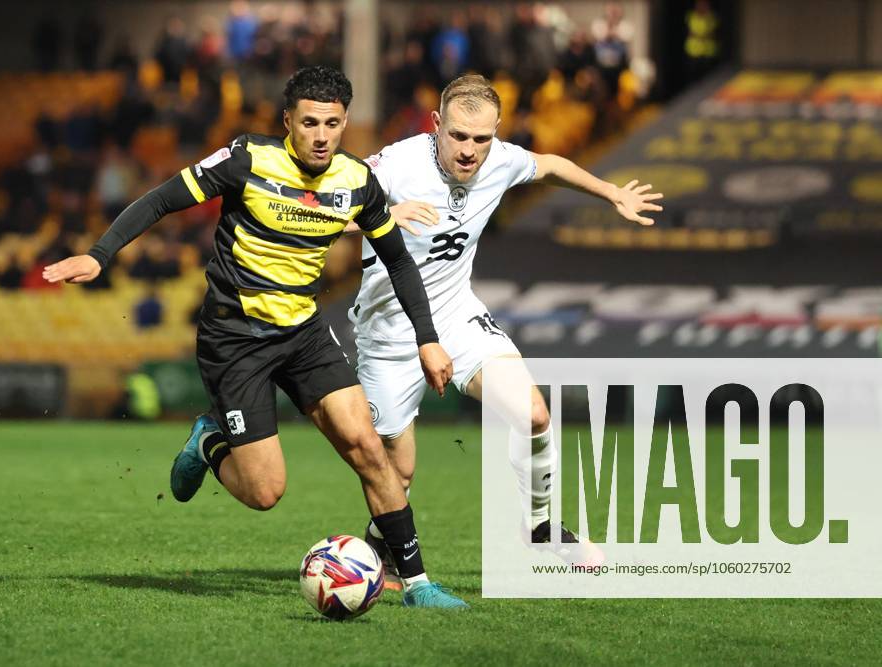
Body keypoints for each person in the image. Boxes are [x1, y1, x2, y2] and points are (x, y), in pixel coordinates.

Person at [43, 66, 468, 609]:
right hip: (235, 338)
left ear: (344, 125)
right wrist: (99, 255)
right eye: (309, 122)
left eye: (332, 124)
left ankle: (418, 585)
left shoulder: (357, 181)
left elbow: (399, 262)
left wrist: (427, 339)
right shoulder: (246, 159)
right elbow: (160, 200)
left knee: (367, 444)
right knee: (265, 493)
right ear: (288, 120)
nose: (320, 135)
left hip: (305, 333)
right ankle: (209, 440)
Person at [349, 74, 663, 589]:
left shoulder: (500, 159)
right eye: (458, 137)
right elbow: (316, 212)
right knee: (397, 473)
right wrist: (377, 217)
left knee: (535, 414)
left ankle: (538, 527)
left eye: (482, 139)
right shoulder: (394, 165)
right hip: (389, 335)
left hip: (456, 318)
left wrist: (609, 192)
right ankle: (378, 554)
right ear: (436, 127)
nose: (470, 151)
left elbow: (550, 165)